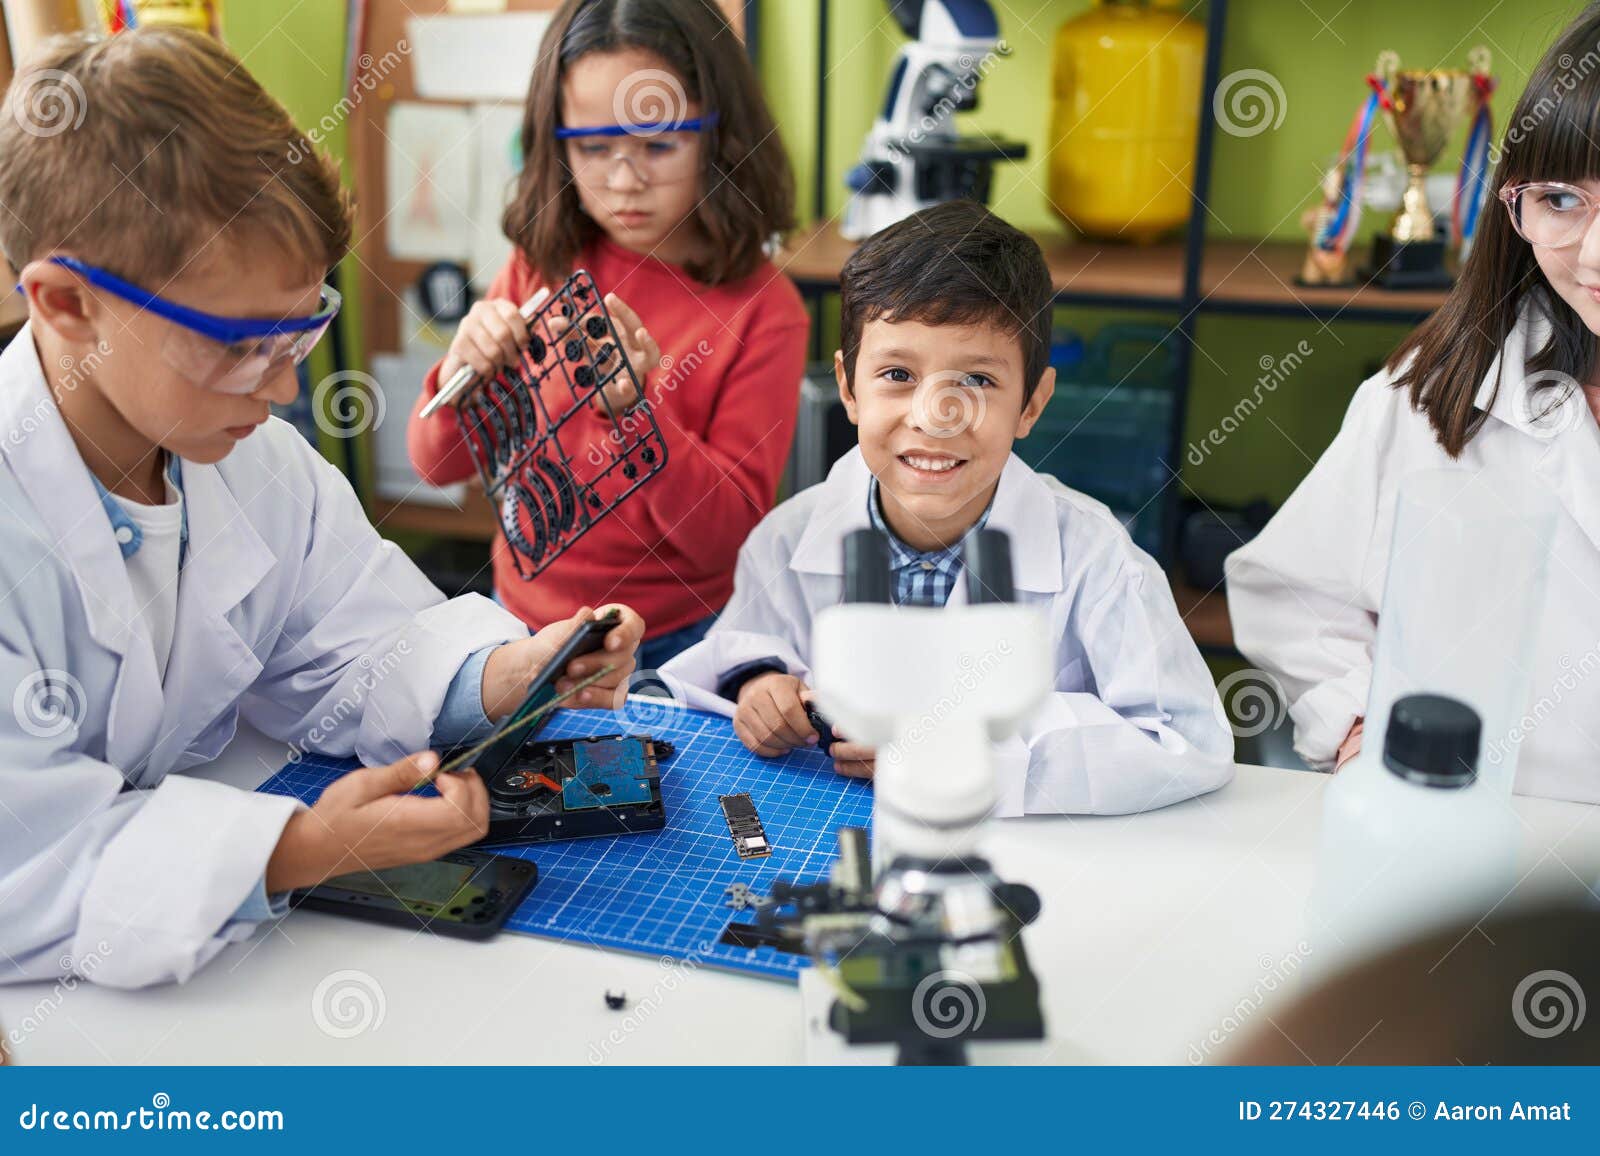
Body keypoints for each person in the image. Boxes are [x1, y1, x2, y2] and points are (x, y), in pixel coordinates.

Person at [0, 27, 644, 989]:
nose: (277, 390)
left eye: (301, 331)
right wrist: (296, 851)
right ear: (63, 303)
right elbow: (25, 864)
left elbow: (348, 635)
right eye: (240, 344)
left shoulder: (245, 455)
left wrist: (509, 673)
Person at [665, 201, 1233, 815]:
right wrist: (760, 686)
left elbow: (1186, 745)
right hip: (835, 833)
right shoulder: (789, 538)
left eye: (978, 381)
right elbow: (743, 650)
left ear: (1032, 403)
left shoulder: (1100, 560)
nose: (935, 415)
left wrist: (976, 752)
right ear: (849, 388)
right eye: (898, 374)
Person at [1226, 5, 1600, 805]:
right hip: (1478, 859)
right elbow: (1294, 594)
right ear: (1516, 202)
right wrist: (1360, 722)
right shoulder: (1436, 395)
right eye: (1563, 200)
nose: (1592, 253)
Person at [408, 0, 808, 671]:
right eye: (593, 148)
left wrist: (635, 413)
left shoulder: (765, 310)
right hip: (521, 623)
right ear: (555, 138)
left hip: (676, 644)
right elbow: (437, 464)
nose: (624, 181)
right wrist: (466, 366)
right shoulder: (542, 262)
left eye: (658, 145)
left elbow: (725, 540)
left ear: (722, 137)